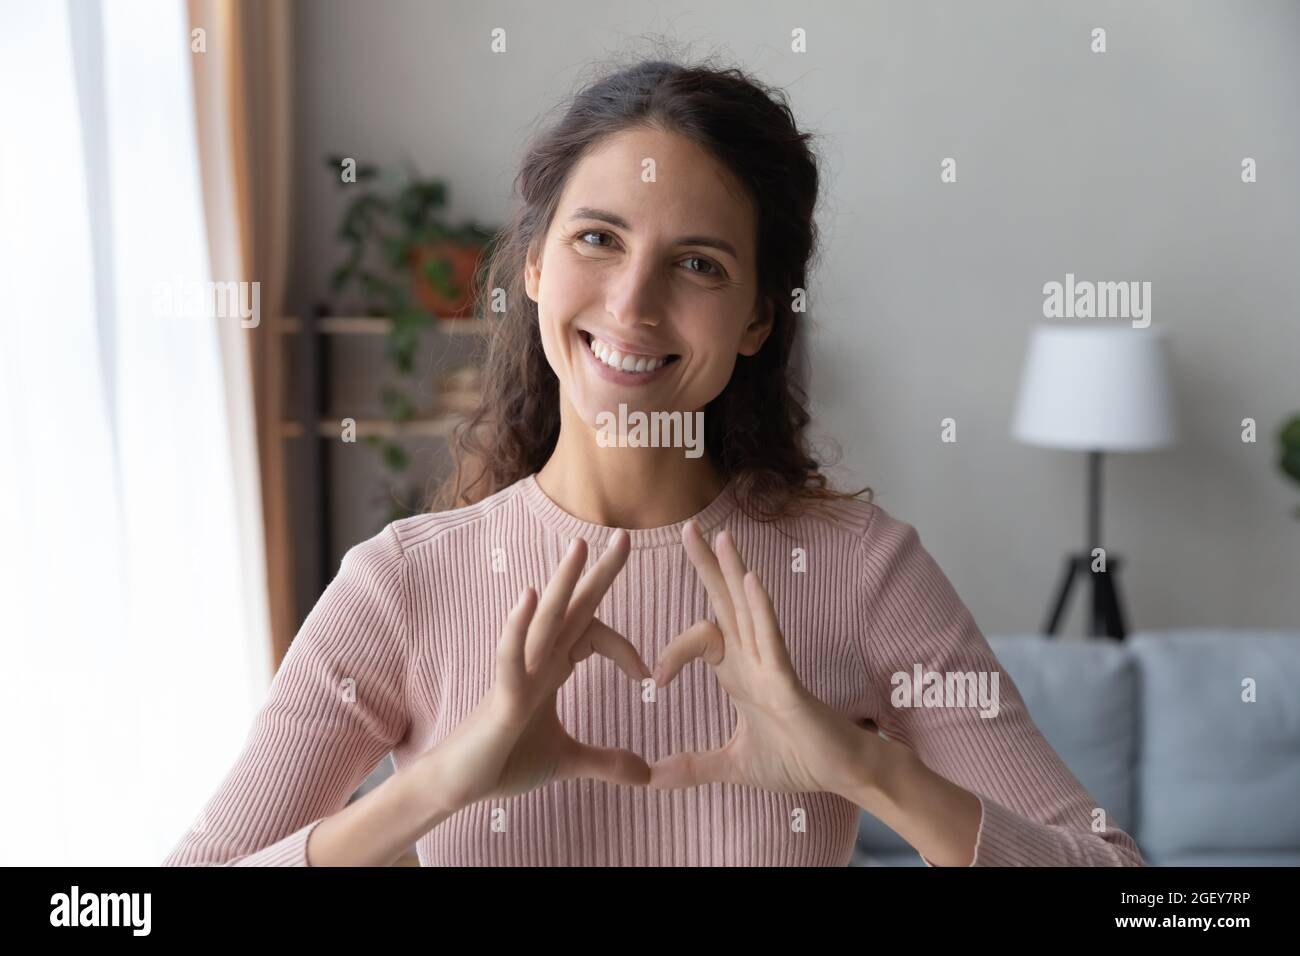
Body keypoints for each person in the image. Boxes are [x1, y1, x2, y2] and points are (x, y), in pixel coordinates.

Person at [164, 58, 1144, 867]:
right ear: (536, 265)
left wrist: (865, 767)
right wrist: (433, 786)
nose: (633, 304)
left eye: (699, 264)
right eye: (599, 238)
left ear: (759, 316)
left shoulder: (859, 570)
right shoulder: (403, 584)